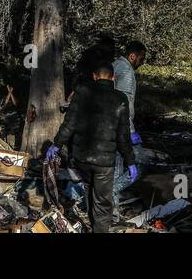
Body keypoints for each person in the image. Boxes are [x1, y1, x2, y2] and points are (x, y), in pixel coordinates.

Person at [45, 57, 136, 233]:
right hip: (105, 162)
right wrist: (130, 161)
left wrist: (56, 145)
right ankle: (99, 229)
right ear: (113, 78)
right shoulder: (120, 99)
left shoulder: (81, 93)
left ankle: (95, 227)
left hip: (82, 158)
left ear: (94, 76)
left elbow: (68, 124)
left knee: (89, 191)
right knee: (102, 201)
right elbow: (123, 136)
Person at [111, 41, 147, 203]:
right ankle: (107, 193)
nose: (142, 62)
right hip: (122, 127)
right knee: (141, 164)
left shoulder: (115, 65)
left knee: (117, 167)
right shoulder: (125, 71)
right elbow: (122, 103)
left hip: (111, 125)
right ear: (132, 56)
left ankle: (111, 204)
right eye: (141, 59)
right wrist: (130, 131)